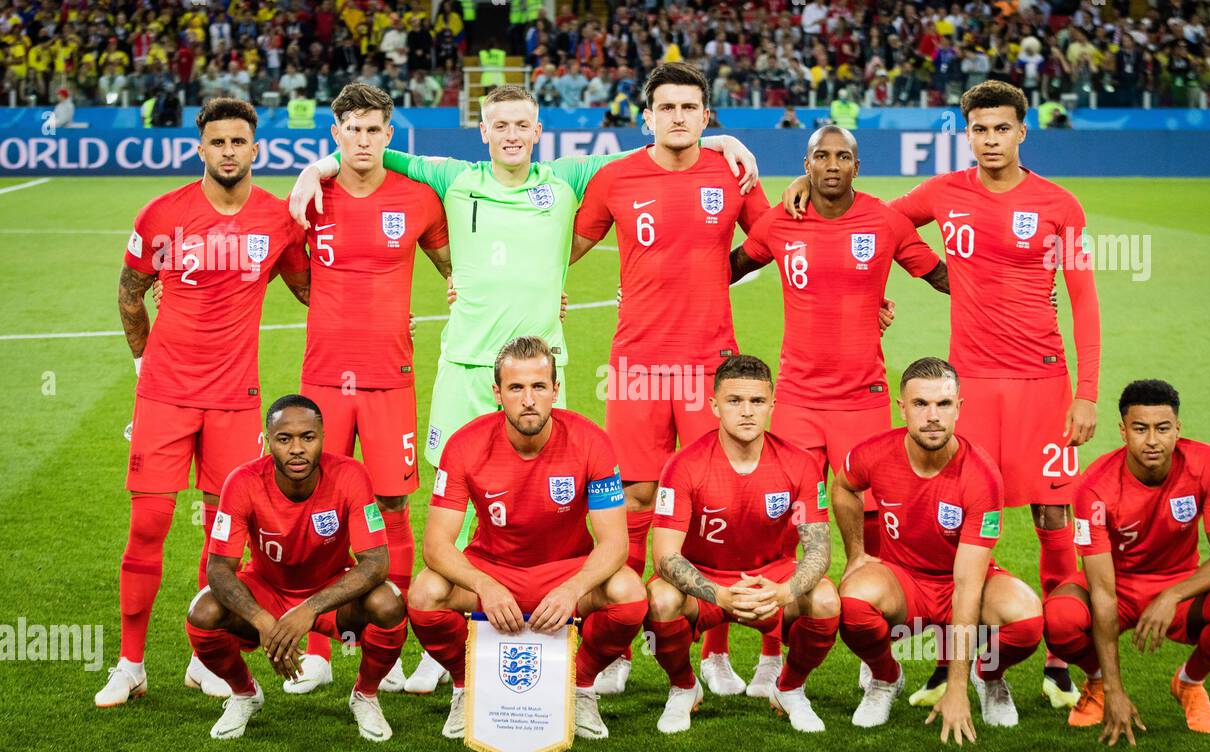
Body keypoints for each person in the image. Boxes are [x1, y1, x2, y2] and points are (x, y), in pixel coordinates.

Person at [287, 83, 755, 555]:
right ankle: (457, 603)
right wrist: (317, 167)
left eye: (521, 125)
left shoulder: (566, 178)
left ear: (537, 130)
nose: (512, 135)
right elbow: (377, 153)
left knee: (543, 491)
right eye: (501, 125)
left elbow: (657, 144)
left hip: (540, 371)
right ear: (484, 131)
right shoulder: (453, 178)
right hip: (467, 367)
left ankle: (535, 596)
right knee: (455, 496)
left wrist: (722, 141)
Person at [782, 80, 1100, 709]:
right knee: (948, 514)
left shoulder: (1060, 205)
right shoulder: (944, 192)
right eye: (979, 129)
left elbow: (1084, 299)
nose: (990, 140)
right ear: (967, 133)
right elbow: (875, 217)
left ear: (1021, 132)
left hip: (1042, 380)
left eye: (1002, 128)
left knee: (1053, 516)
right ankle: (948, 659)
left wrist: (1086, 391)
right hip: (969, 384)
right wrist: (809, 190)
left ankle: (1061, 660)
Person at [715, 125, 945, 694]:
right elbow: (731, 266)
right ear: (807, 162)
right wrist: (657, 281)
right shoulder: (783, 219)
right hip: (795, 395)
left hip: (863, 397)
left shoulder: (885, 221)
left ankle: (877, 664)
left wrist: (1011, 280)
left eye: (843, 156)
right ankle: (773, 655)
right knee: (781, 520)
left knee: (874, 526)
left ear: (858, 165)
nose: (833, 165)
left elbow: (941, 275)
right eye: (821, 156)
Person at [97, 98, 310, 708]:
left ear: (255, 149)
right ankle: (130, 664)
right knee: (150, 524)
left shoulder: (277, 220)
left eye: (239, 142)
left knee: (223, 535)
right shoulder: (163, 214)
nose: (228, 151)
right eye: (217, 142)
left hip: (236, 399)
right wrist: (144, 366)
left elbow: (309, 290)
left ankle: (203, 658)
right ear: (201, 148)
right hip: (165, 393)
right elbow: (130, 295)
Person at [569, 63, 769, 697]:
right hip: (636, 363)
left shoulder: (730, 170)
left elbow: (772, 240)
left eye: (691, 107)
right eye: (667, 107)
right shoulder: (615, 177)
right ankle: (620, 638)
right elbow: (562, 247)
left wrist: (719, 275)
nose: (679, 117)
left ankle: (715, 647)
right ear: (646, 115)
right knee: (629, 498)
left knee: (716, 503)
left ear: (706, 115)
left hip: (711, 365)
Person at [287, 83, 453, 696]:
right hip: (325, 375)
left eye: (374, 129)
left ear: (390, 134)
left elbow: (454, 274)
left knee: (393, 507)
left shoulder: (418, 199)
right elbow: (297, 279)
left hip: (390, 378)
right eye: (352, 129)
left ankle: (396, 647)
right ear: (336, 134)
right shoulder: (312, 197)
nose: (363, 139)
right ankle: (316, 650)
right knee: (314, 505)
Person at [408, 337, 648, 740]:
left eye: (539, 387)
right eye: (516, 388)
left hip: (565, 569)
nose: (529, 399)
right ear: (497, 393)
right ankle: (468, 685)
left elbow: (614, 543)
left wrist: (573, 588)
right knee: (424, 593)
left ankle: (580, 685)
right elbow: (436, 545)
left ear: (556, 390)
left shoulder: (592, 442)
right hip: (493, 569)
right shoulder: (464, 445)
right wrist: (486, 585)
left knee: (629, 591)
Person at [835, 358, 1044, 740]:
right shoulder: (874, 453)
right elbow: (844, 486)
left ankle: (989, 675)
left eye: (943, 404)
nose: (932, 416)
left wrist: (956, 687)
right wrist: (856, 554)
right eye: (921, 404)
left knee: (1027, 620)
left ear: (959, 408)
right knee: (850, 603)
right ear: (902, 408)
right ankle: (885, 678)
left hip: (961, 584)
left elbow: (966, 585)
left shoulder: (982, 477)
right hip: (904, 583)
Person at [185, 395, 408, 741]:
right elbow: (218, 569)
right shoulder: (242, 481)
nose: (297, 449)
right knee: (203, 611)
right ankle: (244, 693)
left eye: (308, 437)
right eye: (284, 439)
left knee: (388, 603)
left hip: (330, 594)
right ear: (268, 440)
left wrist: (309, 609)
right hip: (267, 591)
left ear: (323, 436)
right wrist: (262, 621)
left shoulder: (351, 474)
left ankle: (365, 694)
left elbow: (377, 563)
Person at [1044, 380, 1210, 742]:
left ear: (1178, 429)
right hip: (1116, 584)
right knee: (1060, 618)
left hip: (1180, 583)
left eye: (1163, 428)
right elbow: (1103, 593)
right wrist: (1114, 688)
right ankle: (1096, 683)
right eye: (1140, 429)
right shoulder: (1093, 488)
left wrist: (1171, 596)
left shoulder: (1207, 463)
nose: (1152, 440)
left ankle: (1189, 683)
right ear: (1123, 431)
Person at [644, 355, 838, 733]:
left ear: (771, 405)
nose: (746, 412)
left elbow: (818, 550)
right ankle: (683, 687)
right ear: (714, 405)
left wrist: (785, 592)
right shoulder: (683, 465)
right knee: (660, 600)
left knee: (826, 599)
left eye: (757, 402)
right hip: (706, 580)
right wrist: (719, 594)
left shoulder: (800, 464)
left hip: (771, 578)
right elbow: (665, 556)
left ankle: (791, 687)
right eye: (734, 401)